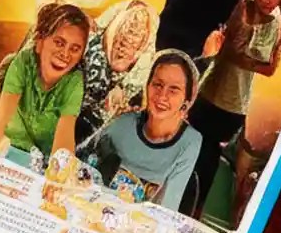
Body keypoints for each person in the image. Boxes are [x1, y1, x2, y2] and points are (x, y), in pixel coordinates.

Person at [183, 0, 281, 218]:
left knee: (208, 162)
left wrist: (235, 52)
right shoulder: (243, 7)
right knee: (188, 149)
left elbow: (266, 67)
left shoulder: (274, 24)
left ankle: (192, 212)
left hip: (233, 104)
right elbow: (234, 48)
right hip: (209, 91)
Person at [78, 50, 203, 211]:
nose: (162, 96)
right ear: (147, 85)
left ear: (187, 99)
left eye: (173, 89)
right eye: (157, 84)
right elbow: (81, 163)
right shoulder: (122, 124)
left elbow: (167, 208)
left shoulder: (190, 142)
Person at [0, 3, 90, 165]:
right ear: (40, 42)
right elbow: (2, 117)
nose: (65, 54)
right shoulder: (23, 63)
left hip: (43, 160)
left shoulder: (74, 81)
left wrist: (57, 176)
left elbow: (64, 138)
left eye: (74, 49)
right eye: (59, 43)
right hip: (10, 148)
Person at [75, 0, 158, 144]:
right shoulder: (90, 44)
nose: (128, 41)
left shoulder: (134, 87)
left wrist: (123, 90)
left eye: (137, 36)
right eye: (127, 31)